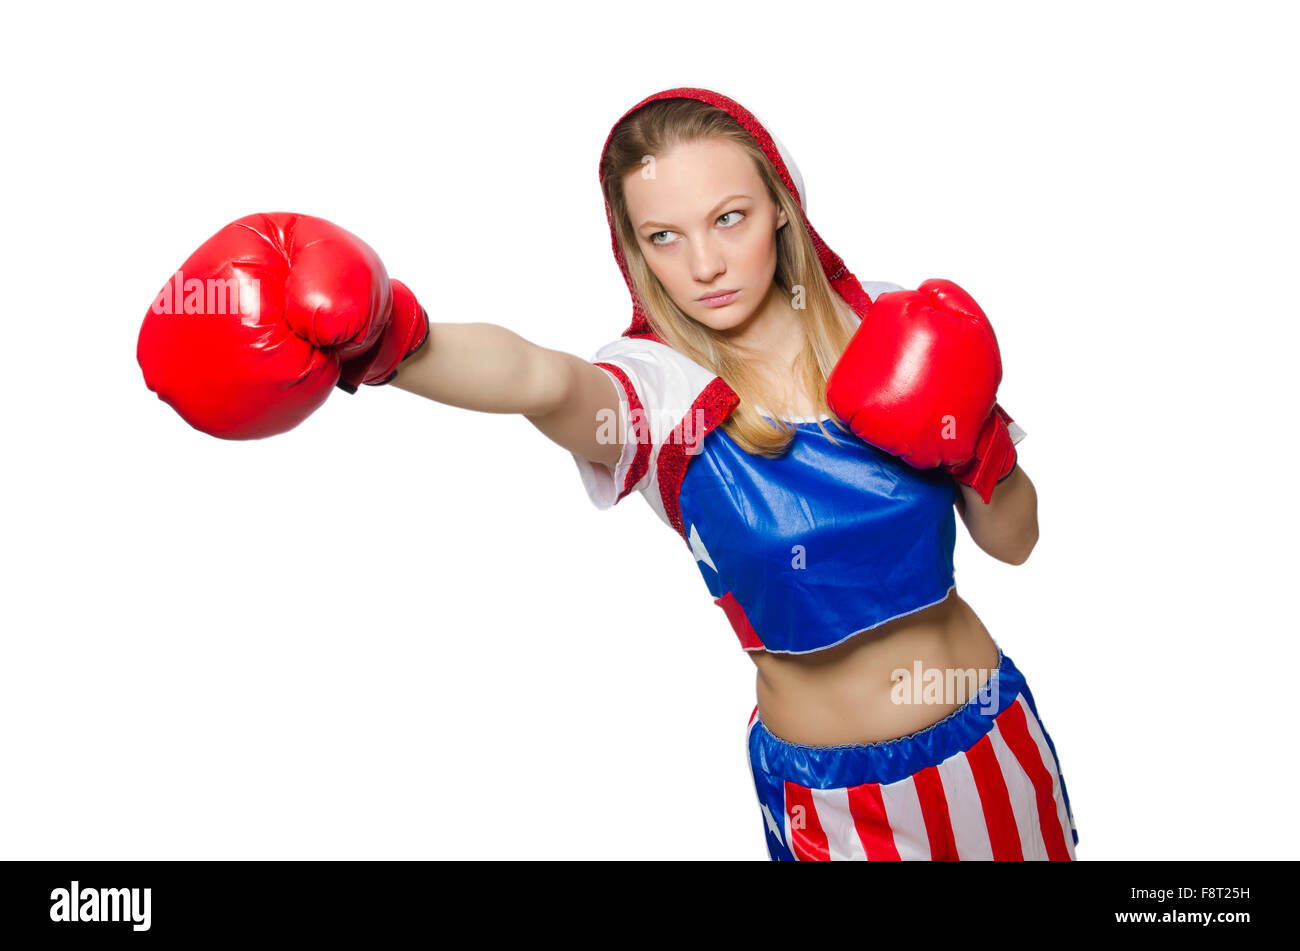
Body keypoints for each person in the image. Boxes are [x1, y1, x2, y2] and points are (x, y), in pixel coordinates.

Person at [137, 86, 1078, 861]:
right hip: (840, 805)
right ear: (634, 248)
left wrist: (973, 441)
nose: (704, 262)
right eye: (663, 236)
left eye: (729, 218)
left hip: (993, 739)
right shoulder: (660, 389)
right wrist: (387, 340)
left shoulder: (895, 323)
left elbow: (1016, 540)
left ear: (781, 207)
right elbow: (536, 378)